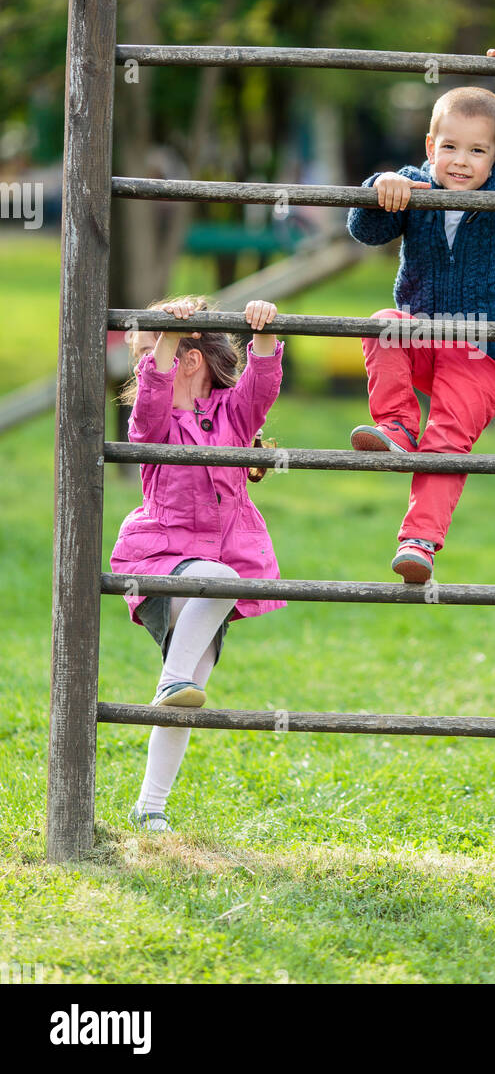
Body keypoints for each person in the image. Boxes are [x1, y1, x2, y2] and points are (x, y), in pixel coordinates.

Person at [346, 43, 495, 582]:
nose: (461, 161)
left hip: (485, 353)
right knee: (383, 323)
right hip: (426, 344)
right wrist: (380, 189)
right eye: (450, 147)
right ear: (430, 146)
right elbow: (364, 231)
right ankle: (394, 423)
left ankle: (419, 541)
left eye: (478, 151)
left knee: (447, 436)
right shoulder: (417, 187)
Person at [110, 295, 286, 832]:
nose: (144, 369)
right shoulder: (153, 422)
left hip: (218, 566)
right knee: (219, 586)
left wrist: (262, 329)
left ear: (190, 360)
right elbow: (151, 399)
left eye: (150, 354)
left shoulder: (234, 415)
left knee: (185, 690)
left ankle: (151, 806)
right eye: (145, 356)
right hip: (163, 557)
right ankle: (170, 686)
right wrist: (166, 331)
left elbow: (261, 384)